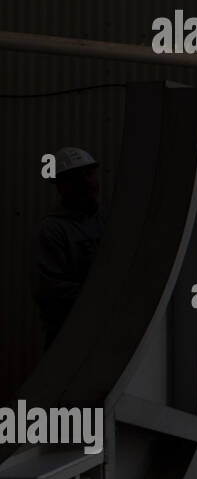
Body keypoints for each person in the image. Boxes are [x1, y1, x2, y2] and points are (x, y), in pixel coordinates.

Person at [34, 147, 107, 348]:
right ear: (60, 186)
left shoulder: (107, 220)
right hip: (68, 337)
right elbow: (52, 292)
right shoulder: (53, 230)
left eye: (89, 174)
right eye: (76, 177)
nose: (87, 182)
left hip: (104, 331)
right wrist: (104, 297)